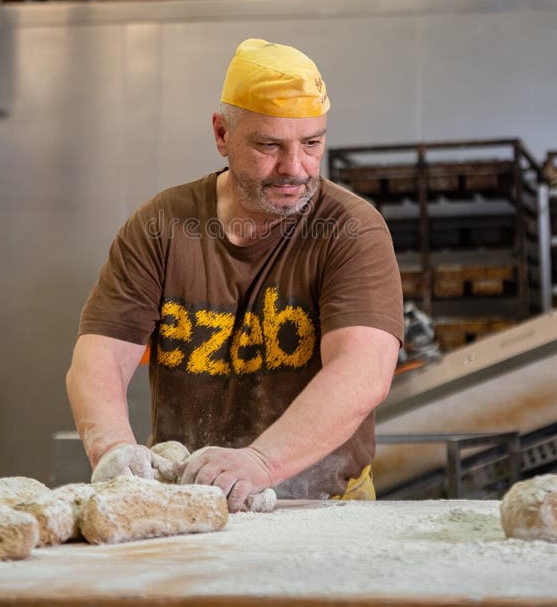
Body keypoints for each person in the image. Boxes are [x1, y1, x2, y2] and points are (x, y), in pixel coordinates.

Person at [67, 38, 404, 510]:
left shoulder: (350, 229)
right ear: (222, 134)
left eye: (312, 144)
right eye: (269, 145)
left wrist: (262, 462)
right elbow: (101, 356)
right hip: (190, 500)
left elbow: (363, 371)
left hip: (323, 504)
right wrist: (113, 450)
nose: (295, 169)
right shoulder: (163, 226)